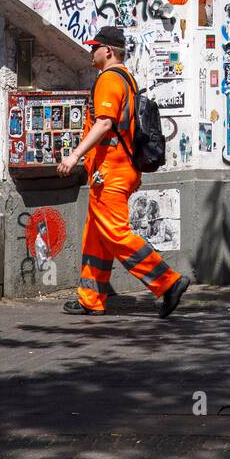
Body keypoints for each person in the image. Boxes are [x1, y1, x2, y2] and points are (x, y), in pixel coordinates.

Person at [57, 25, 190, 318]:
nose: (91, 53)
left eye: (94, 48)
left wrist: (75, 155)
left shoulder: (109, 79)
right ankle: (90, 298)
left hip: (111, 170)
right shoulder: (127, 78)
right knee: (96, 235)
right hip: (117, 168)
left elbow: (104, 123)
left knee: (116, 234)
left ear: (108, 51)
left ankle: (168, 282)